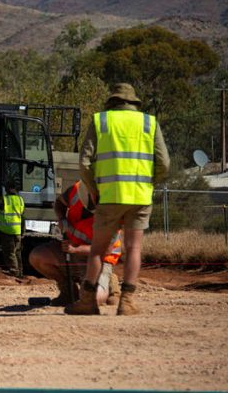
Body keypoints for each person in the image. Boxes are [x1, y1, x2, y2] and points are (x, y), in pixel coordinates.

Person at [66, 83, 170, 315]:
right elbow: (164, 163)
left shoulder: (101, 121)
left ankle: (87, 301)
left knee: (97, 251)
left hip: (109, 196)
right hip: (140, 195)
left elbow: (83, 162)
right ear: (134, 102)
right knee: (133, 248)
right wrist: (148, 183)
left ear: (112, 102)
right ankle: (127, 302)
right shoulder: (149, 122)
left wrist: (94, 190)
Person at [29, 180, 122, 306]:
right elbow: (59, 203)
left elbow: (105, 250)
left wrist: (76, 249)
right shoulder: (76, 190)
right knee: (38, 256)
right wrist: (61, 218)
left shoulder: (113, 214)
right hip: (71, 251)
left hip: (99, 258)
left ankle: (110, 280)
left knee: (94, 300)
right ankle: (69, 292)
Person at [0, 184, 25, 277]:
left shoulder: (4, 199)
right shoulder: (20, 200)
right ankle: (20, 272)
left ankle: (13, 271)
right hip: (17, 230)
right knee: (17, 252)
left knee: (9, 252)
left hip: (7, 230)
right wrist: (23, 231)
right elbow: (23, 216)